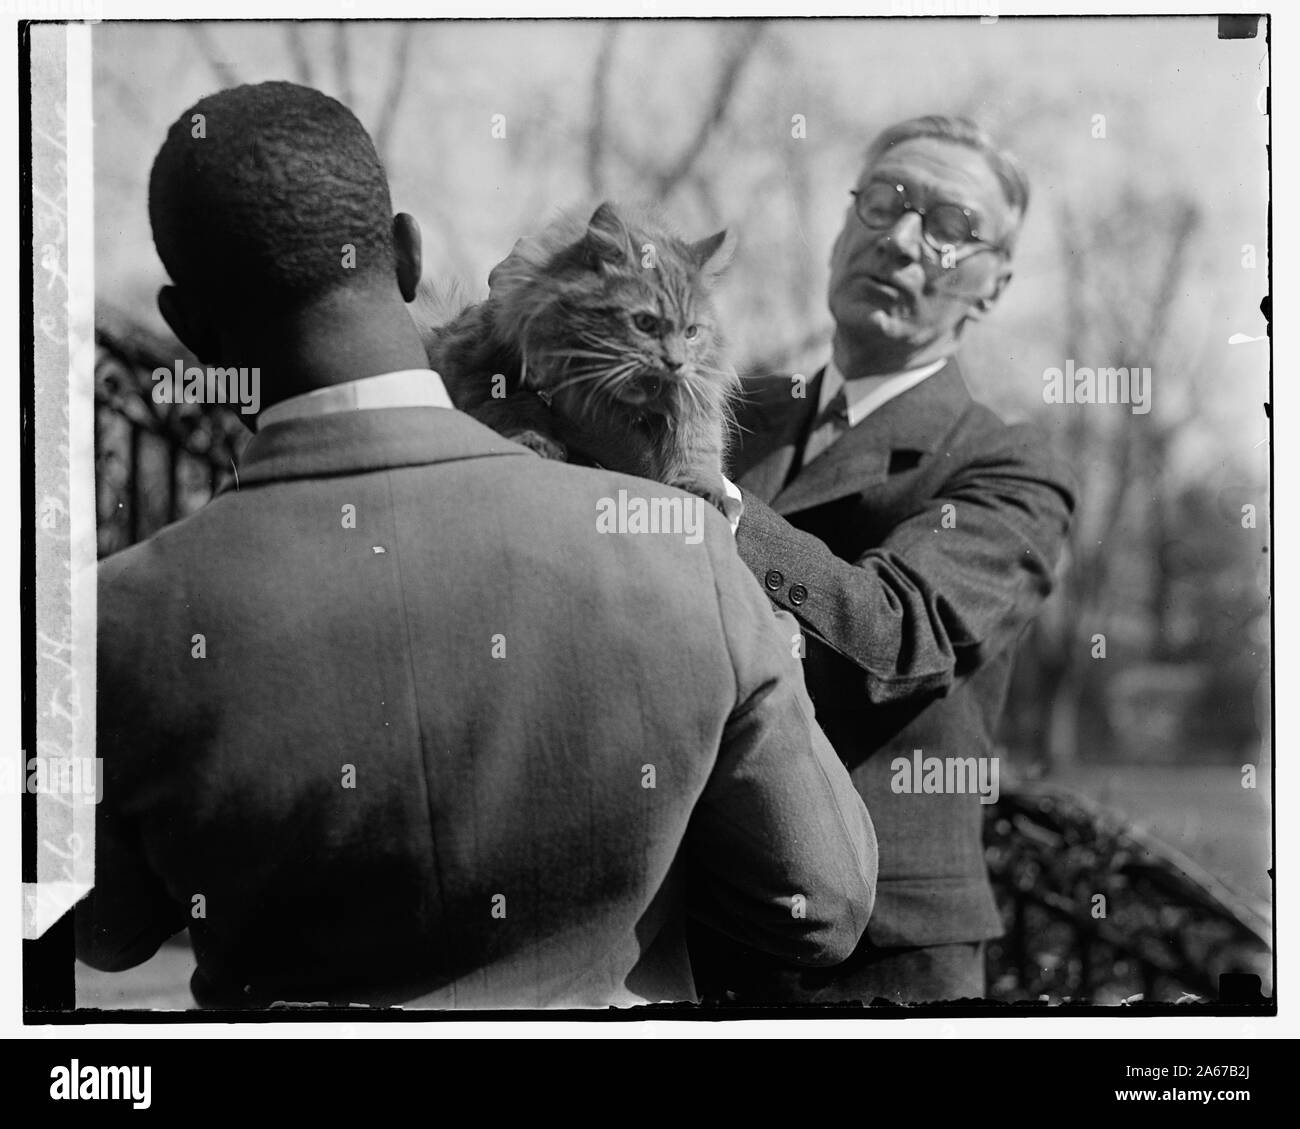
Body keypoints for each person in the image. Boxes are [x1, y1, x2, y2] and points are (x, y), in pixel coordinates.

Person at [76, 81, 877, 1009]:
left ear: (189, 329)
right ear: (409, 256)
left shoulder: (118, 618)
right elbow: (822, 898)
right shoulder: (678, 551)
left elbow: (108, 928)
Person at [692, 115, 1076, 1004]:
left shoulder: (1008, 464)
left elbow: (899, 635)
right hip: (689, 930)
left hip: (884, 958)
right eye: (885, 201)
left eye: (949, 227)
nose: (902, 239)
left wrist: (709, 499)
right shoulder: (732, 407)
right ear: (840, 230)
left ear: (991, 287)